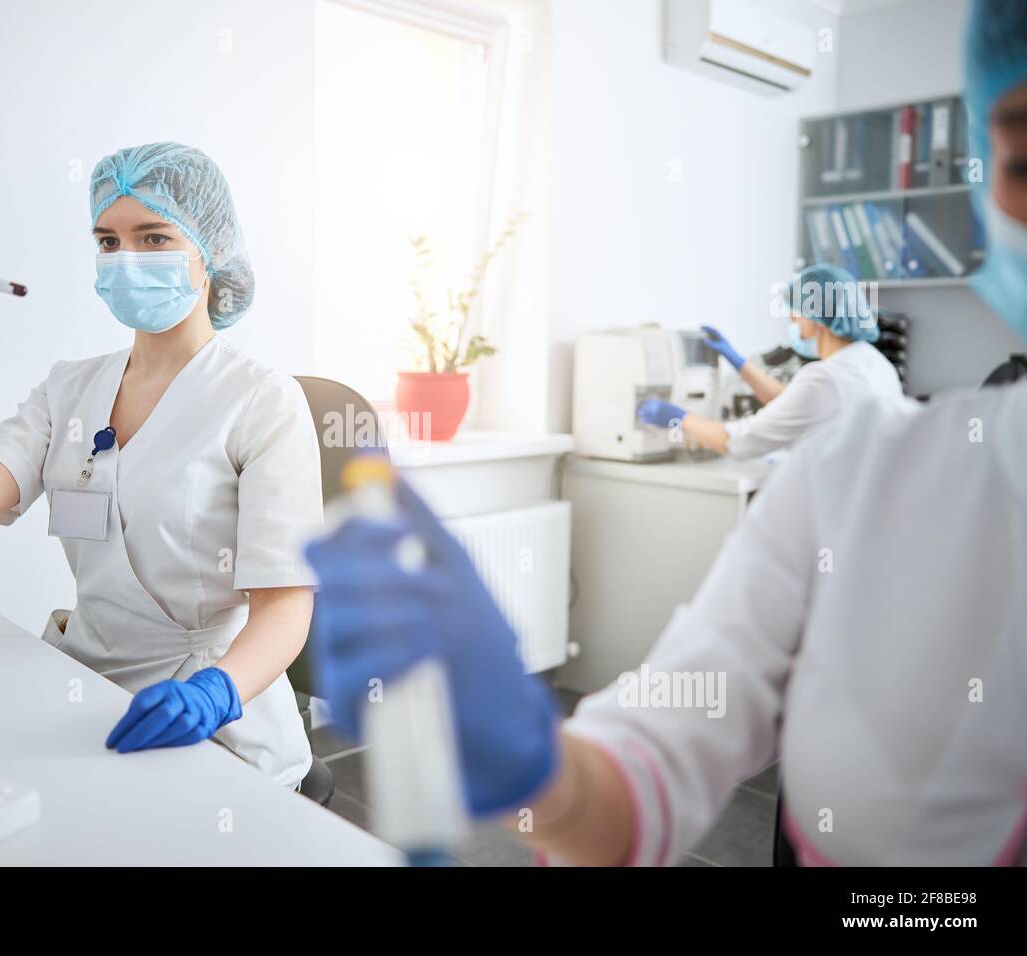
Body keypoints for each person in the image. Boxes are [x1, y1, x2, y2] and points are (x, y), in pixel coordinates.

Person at [304, 0, 1027, 864]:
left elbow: (745, 435)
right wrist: (545, 776)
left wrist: (674, 415)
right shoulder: (859, 461)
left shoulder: (839, 390)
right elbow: (651, 763)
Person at [0, 142, 320, 789]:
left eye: (154, 238)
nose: (127, 260)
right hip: (82, 685)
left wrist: (215, 693)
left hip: (215, 714)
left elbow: (285, 604)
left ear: (210, 251)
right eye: (108, 241)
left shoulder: (261, 400)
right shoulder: (70, 388)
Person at [636, 263, 903, 459]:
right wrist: (739, 363)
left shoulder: (825, 378)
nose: (791, 321)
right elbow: (793, 402)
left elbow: (739, 440)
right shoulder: (876, 364)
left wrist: (676, 418)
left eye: (796, 313)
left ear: (817, 315)